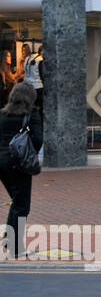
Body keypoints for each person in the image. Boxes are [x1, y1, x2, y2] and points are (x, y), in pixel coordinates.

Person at [0, 82, 42, 258]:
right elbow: (38, 139)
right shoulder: (31, 114)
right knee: (22, 205)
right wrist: (28, 153)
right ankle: (15, 248)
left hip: (1, 164)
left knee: (18, 201)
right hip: (19, 164)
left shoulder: (2, 114)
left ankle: (9, 239)